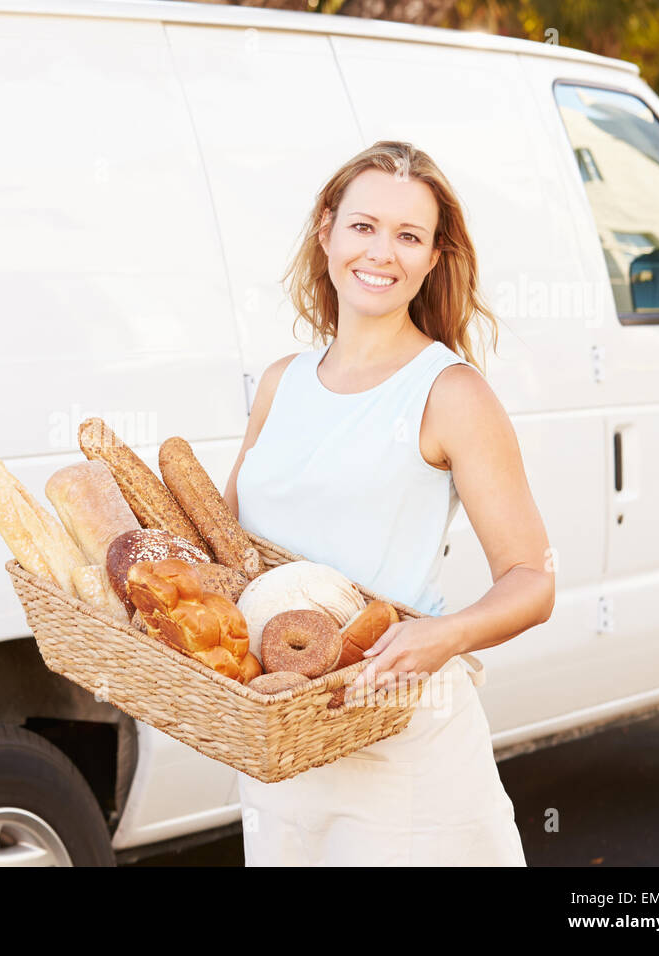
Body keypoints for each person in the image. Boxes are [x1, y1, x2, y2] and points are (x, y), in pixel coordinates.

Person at [223, 141, 555, 866]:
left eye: (409, 236)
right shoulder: (283, 381)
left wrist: (445, 636)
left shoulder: (450, 393)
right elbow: (224, 554)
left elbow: (533, 580)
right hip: (282, 744)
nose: (382, 252)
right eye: (364, 226)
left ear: (434, 258)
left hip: (400, 742)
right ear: (327, 232)